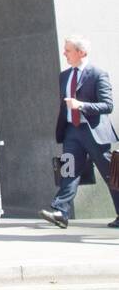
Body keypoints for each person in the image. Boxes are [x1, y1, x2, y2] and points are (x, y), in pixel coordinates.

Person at [41, 35, 119, 229]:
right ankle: (61, 212)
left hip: (94, 132)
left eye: (68, 50)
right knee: (68, 171)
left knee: (111, 175)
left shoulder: (98, 74)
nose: (64, 53)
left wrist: (81, 105)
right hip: (72, 132)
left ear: (81, 52)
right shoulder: (64, 76)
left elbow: (107, 105)